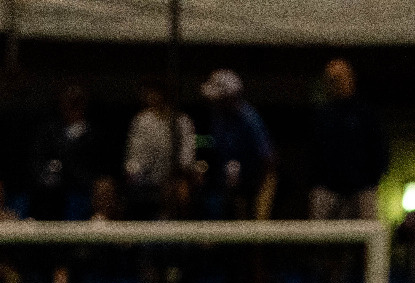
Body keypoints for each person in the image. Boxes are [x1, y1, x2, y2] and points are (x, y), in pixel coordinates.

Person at [309, 59, 389, 223]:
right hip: (328, 187)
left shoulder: (365, 114)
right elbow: (313, 154)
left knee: (368, 231)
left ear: (351, 79)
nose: (335, 83)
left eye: (339, 78)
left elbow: (379, 149)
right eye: (331, 79)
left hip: (362, 187)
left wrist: (371, 178)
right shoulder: (322, 115)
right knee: (320, 232)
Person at [198, 69, 276, 220]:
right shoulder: (218, 117)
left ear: (231, 97)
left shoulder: (249, 119)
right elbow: (210, 143)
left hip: (258, 178)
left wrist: (254, 187)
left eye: (220, 99)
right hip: (231, 179)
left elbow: (268, 159)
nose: (215, 103)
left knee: (257, 225)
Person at [28, 84, 110, 223]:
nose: (73, 106)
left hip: (83, 195)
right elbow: (37, 163)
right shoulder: (49, 132)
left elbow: (99, 168)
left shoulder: (95, 135)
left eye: (77, 101)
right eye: (69, 100)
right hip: (51, 197)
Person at [123, 81, 195, 219]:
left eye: (156, 92)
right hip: (146, 182)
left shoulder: (182, 121)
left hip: (173, 180)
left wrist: (177, 175)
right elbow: (134, 156)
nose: (152, 96)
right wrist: (134, 172)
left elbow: (187, 156)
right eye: (149, 92)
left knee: (181, 191)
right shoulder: (141, 121)